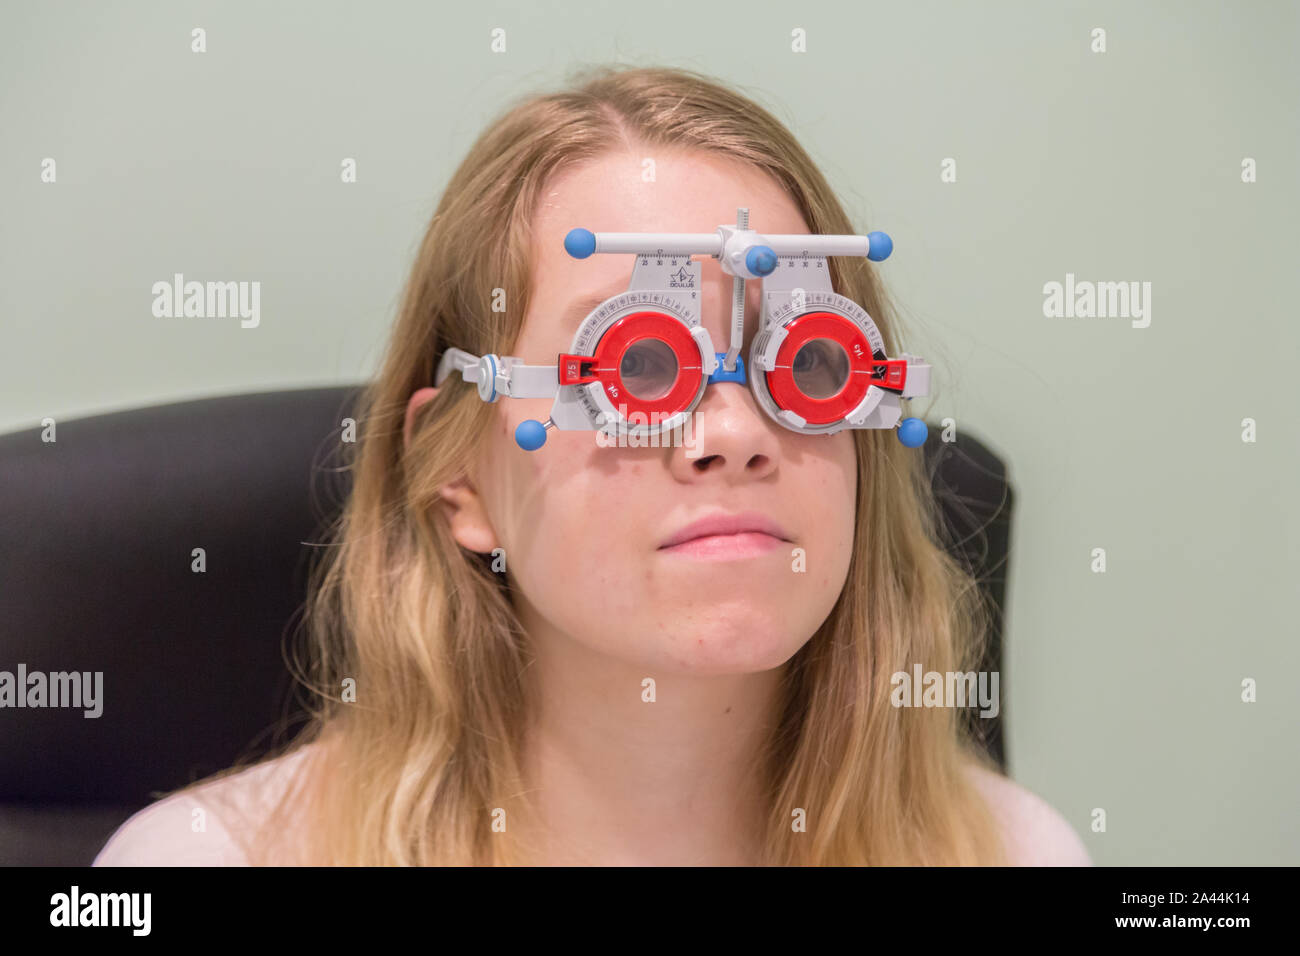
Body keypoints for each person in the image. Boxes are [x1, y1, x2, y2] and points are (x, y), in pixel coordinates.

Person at [94, 64, 1090, 867]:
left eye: (808, 360)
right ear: (460, 475)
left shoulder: (1013, 852)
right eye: (641, 363)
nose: (732, 431)